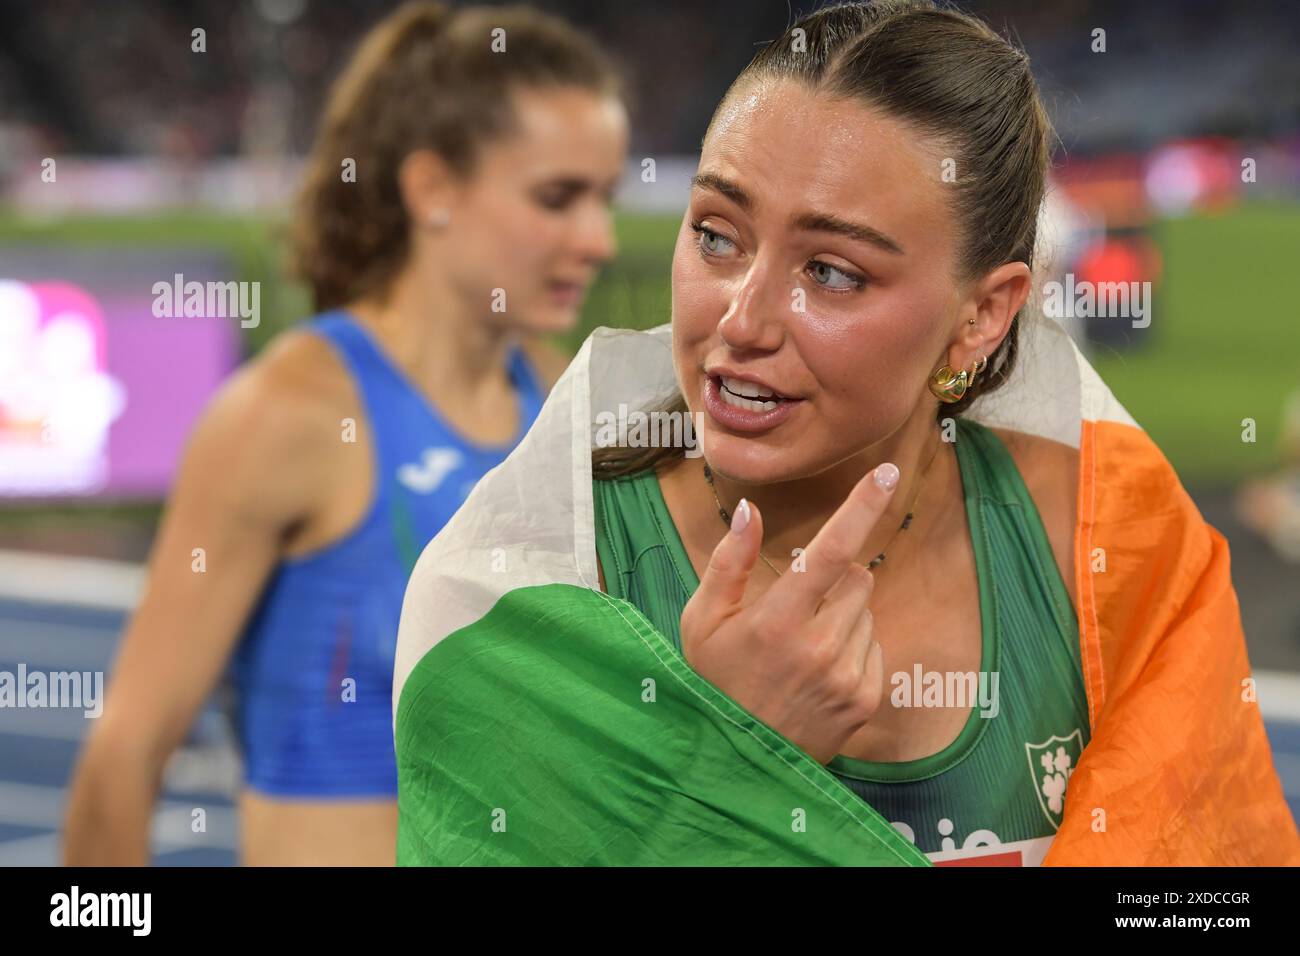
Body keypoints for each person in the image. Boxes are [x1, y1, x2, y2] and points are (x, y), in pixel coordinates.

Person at [392, 0, 1299, 865]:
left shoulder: (1103, 544)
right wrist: (724, 761)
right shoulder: (530, 593)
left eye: (830, 271)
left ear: (983, 316)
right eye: (716, 235)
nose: (741, 318)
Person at [64, 1, 628, 866]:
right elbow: (125, 754)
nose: (598, 239)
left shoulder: (562, 402)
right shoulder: (288, 415)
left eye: (605, 198)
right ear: (433, 189)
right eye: (558, 198)